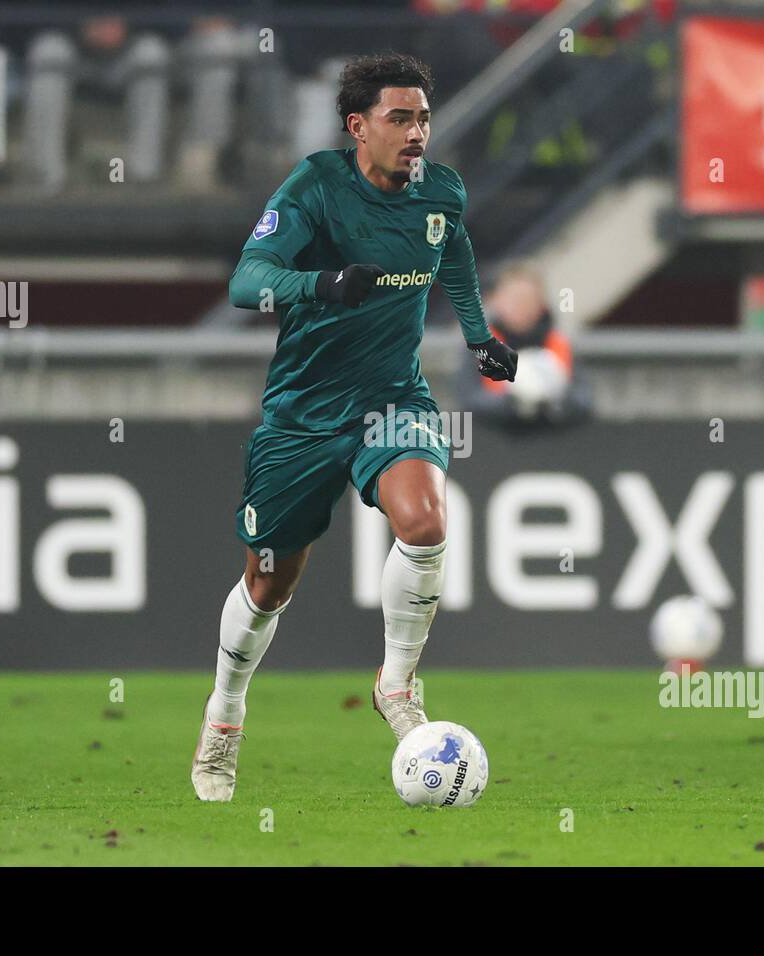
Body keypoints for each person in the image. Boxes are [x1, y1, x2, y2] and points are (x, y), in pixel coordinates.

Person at [191, 52, 518, 802]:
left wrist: (477, 336)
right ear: (357, 126)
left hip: (391, 400)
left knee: (426, 522)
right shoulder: (315, 187)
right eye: (400, 118)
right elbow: (248, 281)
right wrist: (322, 283)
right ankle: (225, 714)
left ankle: (397, 684)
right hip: (302, 416)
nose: (416, 133)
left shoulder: (441, 192)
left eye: (424, 118)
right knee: (269, 582)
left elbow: (454, 248)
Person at [457, 263, 591, 428]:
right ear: (497, 300)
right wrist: (513, 401)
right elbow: (467, 399)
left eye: (527, 299)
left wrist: (555, 401)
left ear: (541, 303)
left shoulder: (559, 344)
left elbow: (583, 399)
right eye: (514, 298)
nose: (520, 306)